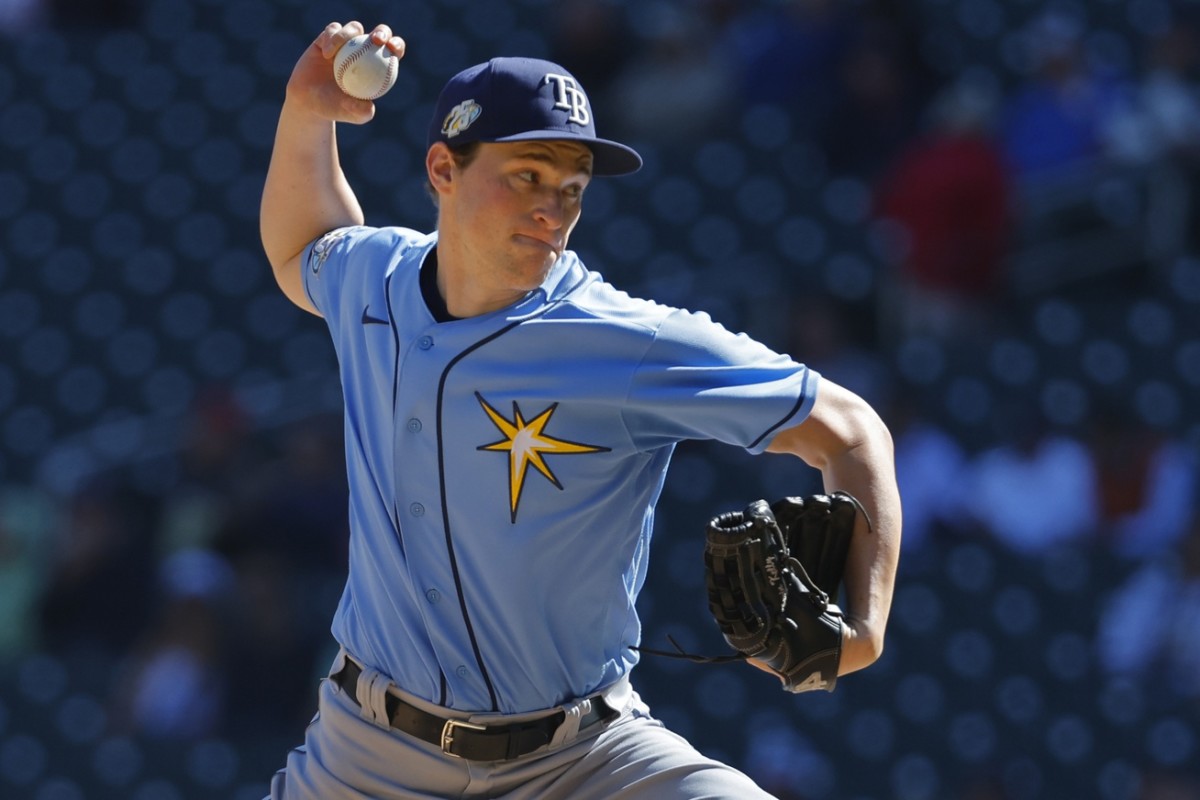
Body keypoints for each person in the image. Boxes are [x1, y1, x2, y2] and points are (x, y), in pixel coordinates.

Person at [259, 20, 902, 800]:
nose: (552, 208)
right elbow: (305, 246)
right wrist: (307, 112)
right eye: (527, 174)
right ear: (442, 168)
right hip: (368, 759)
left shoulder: (624, 341)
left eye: (571, 189)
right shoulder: (377, 281)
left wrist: (863, 625)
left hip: (582, 762)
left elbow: (849, 427)